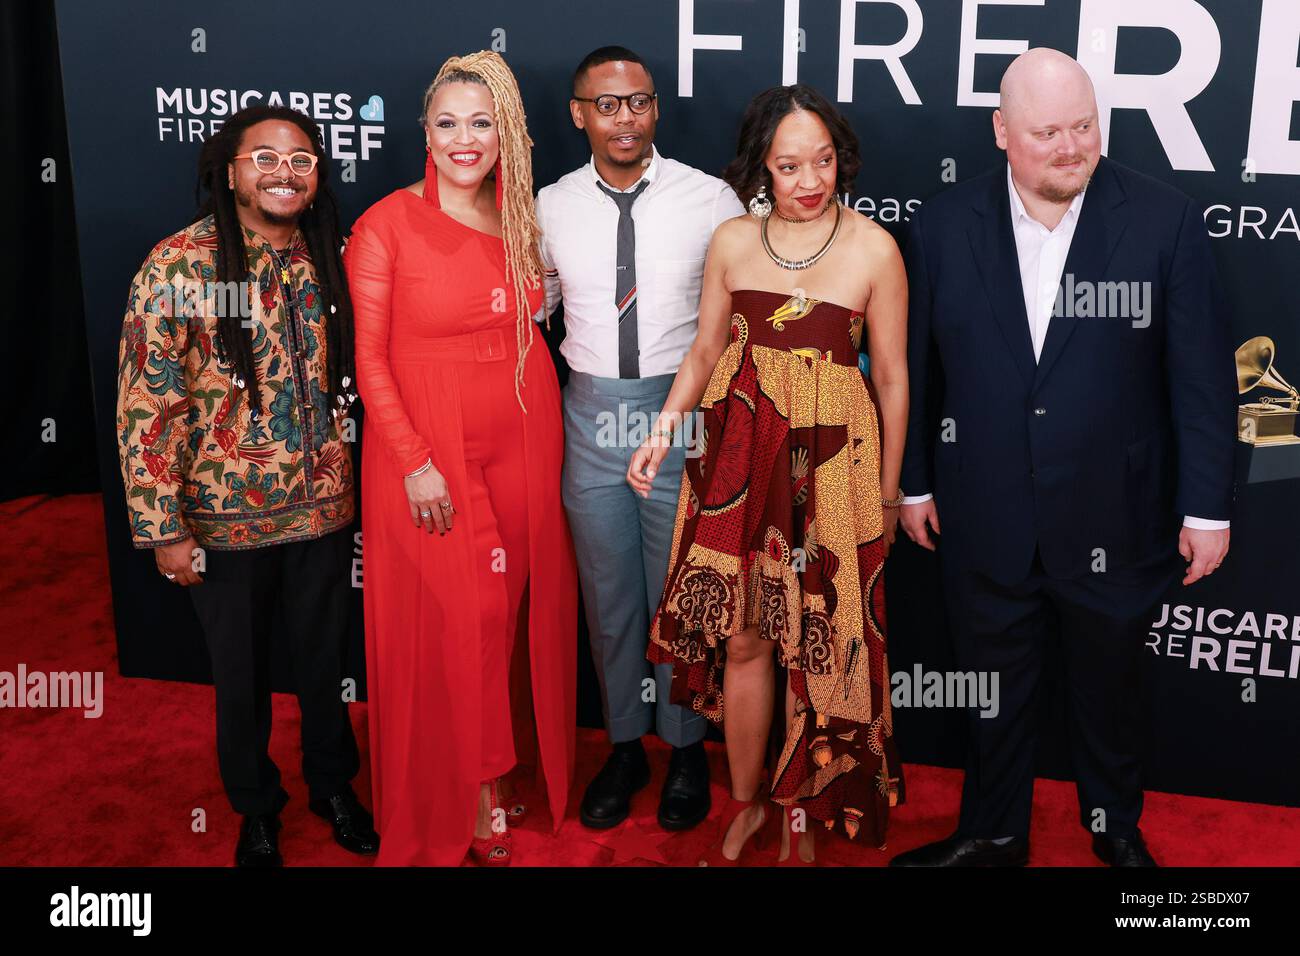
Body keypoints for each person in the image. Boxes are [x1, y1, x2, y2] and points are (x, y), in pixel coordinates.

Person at [889, 49, 1235, 868]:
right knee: (990, 689)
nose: (1071, 146)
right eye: (1048, 131)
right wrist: (913, 484)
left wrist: (1208, 508)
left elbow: (1201, 382)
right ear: (1003, 132)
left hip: (1119, 513)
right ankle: (993, 832)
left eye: (1085, 125)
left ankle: (1114, 826)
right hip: (983, 509)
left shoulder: (1166, 221)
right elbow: (916, 366)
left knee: (1110, 689)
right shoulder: (941, 224)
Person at [633, 84, 909, 865]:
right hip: (742, 461)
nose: (808, 179)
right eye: (789, 165)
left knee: (820, 640)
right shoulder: (731, 241)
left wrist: (887, 491)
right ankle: (751, 803)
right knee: (749, 639)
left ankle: (801, 809)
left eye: (822, 161)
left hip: (835, 469)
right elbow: (703, 352)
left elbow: (891, 378)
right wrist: (661, 432)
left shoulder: (874, 247)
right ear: (762, 166)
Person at [115, 105, 377, 867]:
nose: (283, 172)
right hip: (221, 522)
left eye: (300, 159)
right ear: (229, 171)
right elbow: (146, 402)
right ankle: (256, 806)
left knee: (327, 665)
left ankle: (334, 788)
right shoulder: (181, 266)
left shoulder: (332, 253)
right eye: (263, 158)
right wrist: (162, 525)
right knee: (241, 678)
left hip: (324, 510)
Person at [345, 51, 578, 866]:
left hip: (524, 429)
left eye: (481, 122)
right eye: (447, 123)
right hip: (429, 443)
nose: (464, 138)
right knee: (462, 616)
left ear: (506, 131)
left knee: (508, 608)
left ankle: (497, 765)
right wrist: (413, 459)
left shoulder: (522, 216)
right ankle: (469, 792)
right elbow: (369, 359)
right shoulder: (383, 225)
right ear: (425, 132)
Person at [535, 47, 744, 834]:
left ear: (656, 109)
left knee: (678, 594)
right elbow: (538, 305)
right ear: (579, 113)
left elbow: (737, 321)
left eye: (640, 103)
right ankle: (627, 744)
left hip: (680, 413)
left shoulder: (711, 199)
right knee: (611, 598)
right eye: (608, 104)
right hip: (588, 414)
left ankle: (687, 747)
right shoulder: (550, 204)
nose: (626, 118)